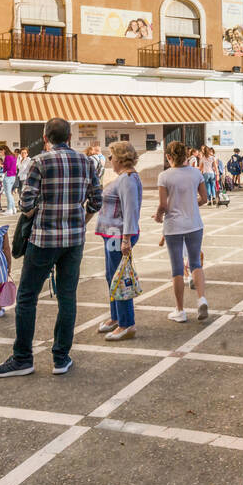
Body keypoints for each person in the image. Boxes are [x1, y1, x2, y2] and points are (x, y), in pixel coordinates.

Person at [0, 117, 101, 378]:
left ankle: (23, 358)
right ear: (70, 137)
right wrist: (79, 221)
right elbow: (96, 201)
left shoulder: (39, 162)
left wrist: (38, 212)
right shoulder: (86, 162)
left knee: (28, 297)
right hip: (73, 241)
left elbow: (26, 203)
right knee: (67, 297)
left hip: (43, 240)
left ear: (45, 138)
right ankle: (61, 358)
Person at [155, 140, 210, 323]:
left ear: (169, 157)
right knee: (195, 263)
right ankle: (201, 299)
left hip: (174, 227)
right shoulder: (195, 173)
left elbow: (163, 204)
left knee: (177, 267)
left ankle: (180, 310)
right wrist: (193, 206)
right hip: (194, 224)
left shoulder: (164, 176)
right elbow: (205, 198)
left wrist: (158, 216)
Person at [96, 141, 143, 341]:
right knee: (112, 276)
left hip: (118, 235)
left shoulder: (127, 179)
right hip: (113, 234)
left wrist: (126, 239)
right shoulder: (124, 178)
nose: (109, 160)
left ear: (121, 158)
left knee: (120, 278)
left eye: (111, 156)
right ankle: (117, 317)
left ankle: (126, 323)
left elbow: (131, 211)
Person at [1, 145, 18, 211]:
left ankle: (9, 209)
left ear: (4, 150)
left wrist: (2, 166)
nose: (1, 152)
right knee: (9, 194)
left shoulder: (7, 157)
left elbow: (7, 167)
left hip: (8, 176)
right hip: (13, 176)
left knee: (8, 194)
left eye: (1, 151)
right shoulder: (14, 156)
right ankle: (13, 208)